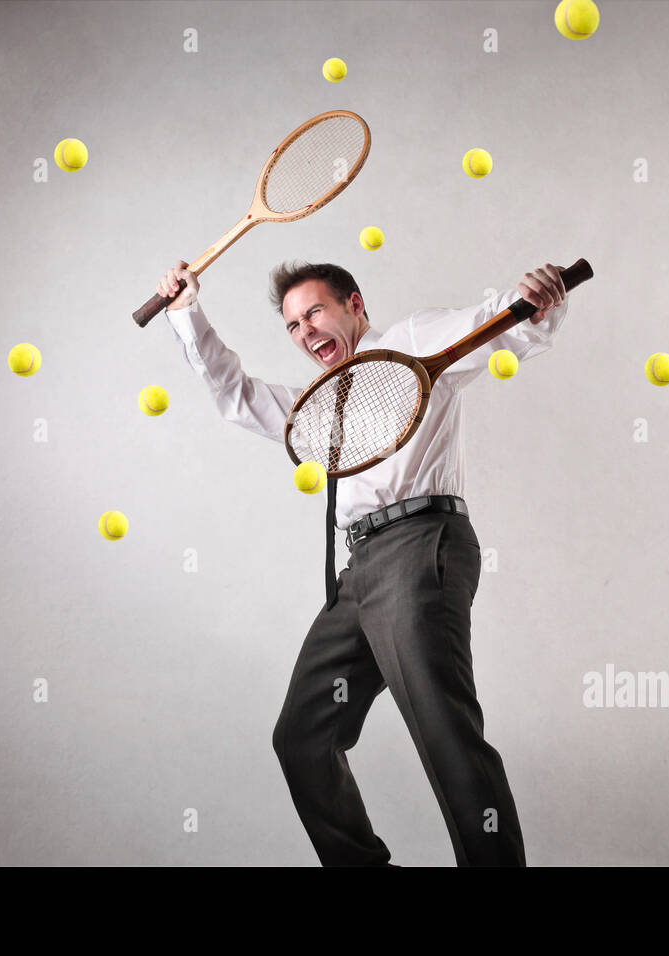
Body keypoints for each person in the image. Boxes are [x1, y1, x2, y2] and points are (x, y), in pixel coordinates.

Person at [156, 258, 569, 866]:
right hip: (361, 571)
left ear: (355, 303)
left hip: (421, 544)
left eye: (315, 311)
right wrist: (186, 311)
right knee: (303, 736)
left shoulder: (412, 343)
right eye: (294, 325)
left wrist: (539, 299)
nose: (306, 331)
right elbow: (237, 395)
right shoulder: (315, 405)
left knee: (441, 726)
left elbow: (498, 324)